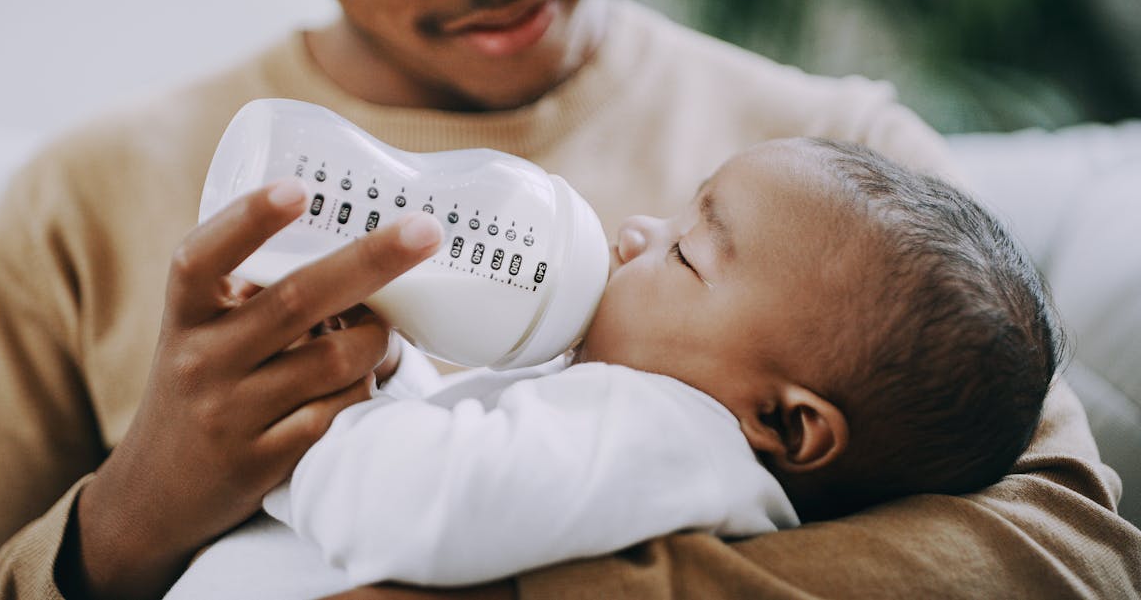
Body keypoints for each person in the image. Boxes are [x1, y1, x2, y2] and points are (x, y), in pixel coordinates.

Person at [0, 0, 1136, 598]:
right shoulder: (82, 199)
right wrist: (135, 514)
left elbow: (1074, 561)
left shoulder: (846, 169)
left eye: (686, 248)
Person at [161, 137, 1060, 600]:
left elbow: (406, 506)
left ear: (785, 422)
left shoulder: (668, 437)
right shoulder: (639, 438)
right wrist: (387, 373)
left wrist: (312, 419)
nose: (635, 232)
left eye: (687, 253)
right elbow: (460, 465)